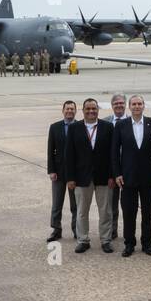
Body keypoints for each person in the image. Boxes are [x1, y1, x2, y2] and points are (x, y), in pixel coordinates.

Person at [65, 98, 116, 253]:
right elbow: (69, 155)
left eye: (94, 108)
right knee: (81, 211)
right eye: (88, 109)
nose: (91, 111)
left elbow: (112, 154)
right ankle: (83, 240)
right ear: (83, 110)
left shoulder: (108, 127)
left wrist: (112, 175)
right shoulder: (74, 128)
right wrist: (70, 178)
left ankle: (106, 240)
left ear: (98, 110)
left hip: (103, 177)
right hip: (81, 178)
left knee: (106, 211)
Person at [113, 94, 151, 256]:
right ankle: (129, 243)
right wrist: (117, 173)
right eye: (133, 104)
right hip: (127, 177)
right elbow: (114, 152)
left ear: (143, 106)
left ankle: (147, 243)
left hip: (149, 177)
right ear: (129, 106)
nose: (136, 106)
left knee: (147, 212)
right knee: (129, 212)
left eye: (139, 103)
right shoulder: (121, 125)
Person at [46, 100, 79, 241]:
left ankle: (76, 230)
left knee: (75, 204)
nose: (69, 111)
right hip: (58, 172)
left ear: (75, 111)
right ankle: (56, 229)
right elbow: (50, 150)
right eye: (67, 109)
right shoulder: (54, 127)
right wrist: (51, 170)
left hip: (75, 173)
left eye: (72, 109)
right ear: (63, 110)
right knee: (57, 204)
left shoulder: (80, 126)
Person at [106, 94, 128, 238]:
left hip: (128, 169)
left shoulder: (133, 120)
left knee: (127, 205)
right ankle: (112, 231)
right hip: (111, 170)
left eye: (121, 103)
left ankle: (128, 232)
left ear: (125, 105)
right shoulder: (105, 122)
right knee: (111, 205)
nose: (119, 105)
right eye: (116, 103)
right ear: (112, 106)